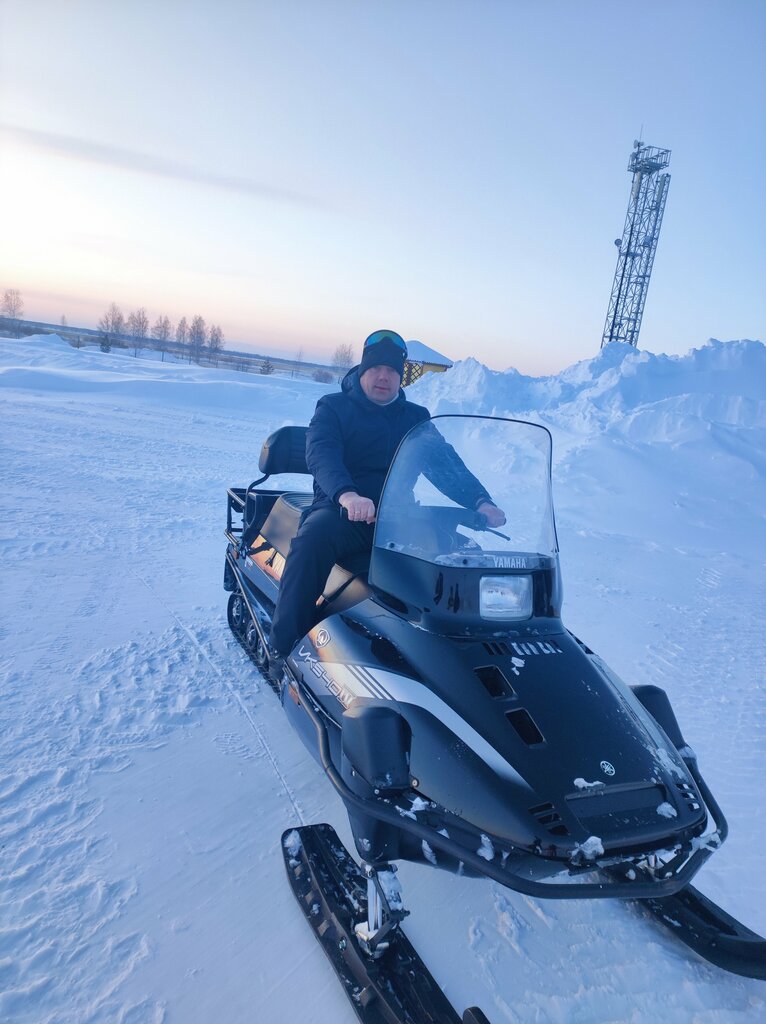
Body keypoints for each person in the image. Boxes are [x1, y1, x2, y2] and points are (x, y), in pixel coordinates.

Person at [268, 329, 504, 676]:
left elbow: (444, 463)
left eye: (392, 370)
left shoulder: (415, 418)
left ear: (401, 376)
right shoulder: (333, 408)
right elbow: (322, 455)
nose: (384, 377)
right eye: (376, 368)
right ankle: (282, 646)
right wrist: (347, 494)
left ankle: (464, 649)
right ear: (363, 370)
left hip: (399, 517)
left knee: (462, 552)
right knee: (311, 544)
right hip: (341, 512)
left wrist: (481, 501)